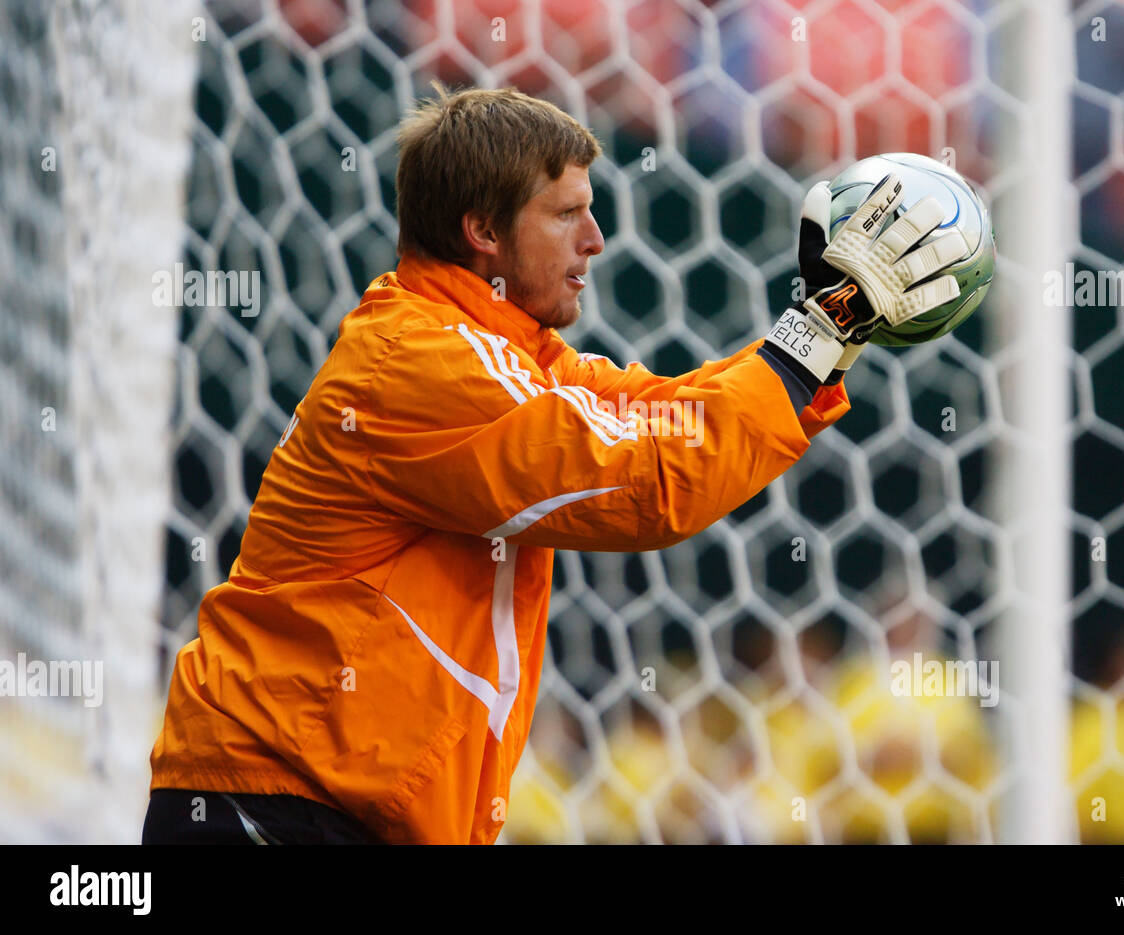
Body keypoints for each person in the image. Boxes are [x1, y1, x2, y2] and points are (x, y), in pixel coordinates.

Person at [144, 82, 963, 844]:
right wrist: (814, 339)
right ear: (485, 231)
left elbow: (663, 414)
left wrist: (824, 327)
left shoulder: (506, 354)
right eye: (567, 213)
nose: (596, 241)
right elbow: (649, 484)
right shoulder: (423, 363)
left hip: (317, 804)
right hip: (269, 805)